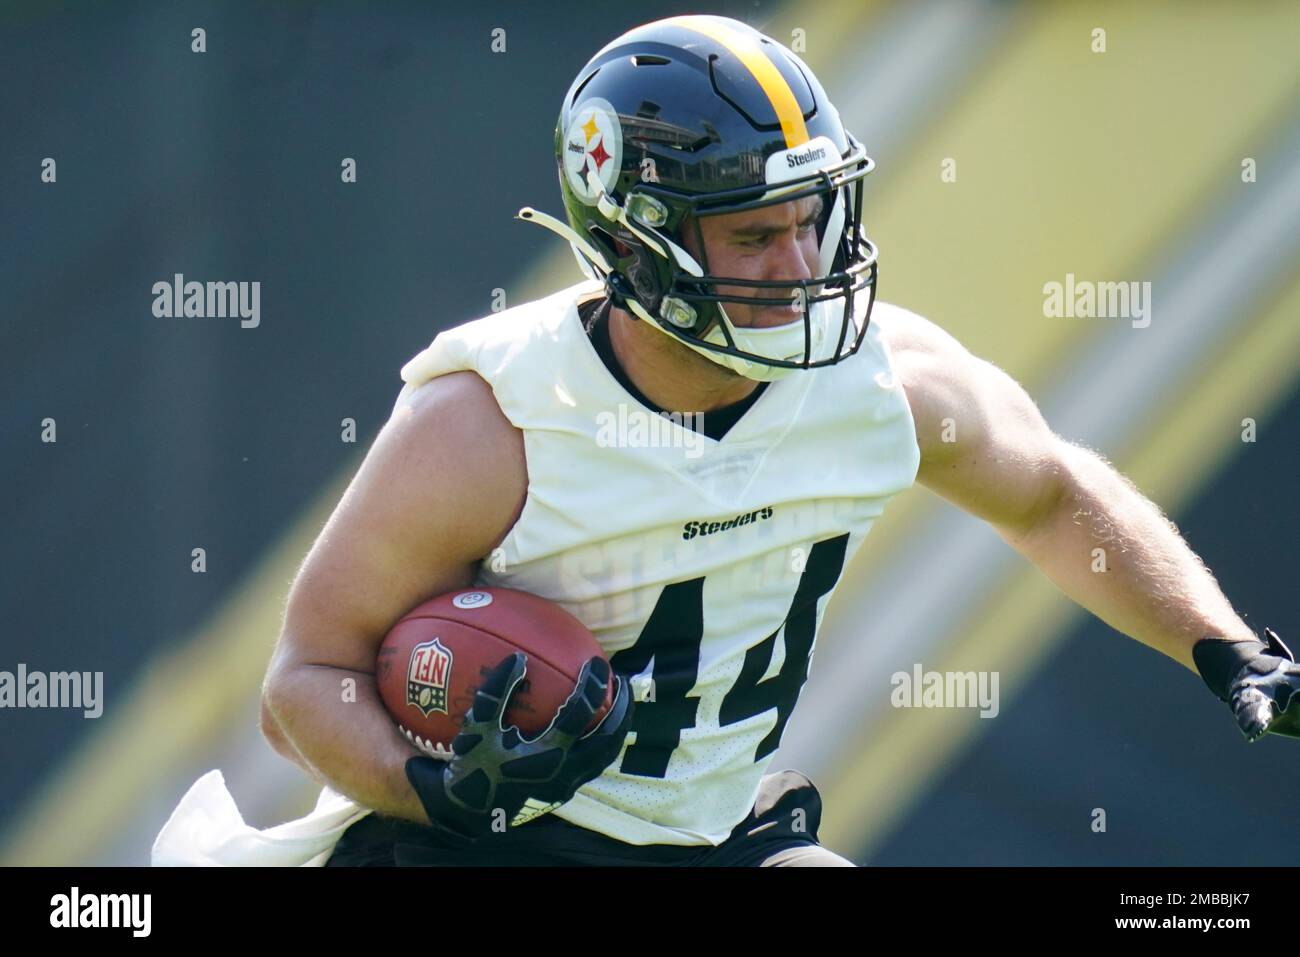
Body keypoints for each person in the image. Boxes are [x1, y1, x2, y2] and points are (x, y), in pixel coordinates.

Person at [248, 14, 1299, 868]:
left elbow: (1054, 497)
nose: (801, 264)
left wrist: (1225, 649)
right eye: (754, 234)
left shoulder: (886, 380)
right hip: (485, 846)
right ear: (630, 243)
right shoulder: (492, 419)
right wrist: (435, 792)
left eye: (812, 218)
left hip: (711, 837)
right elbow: (303, 680)